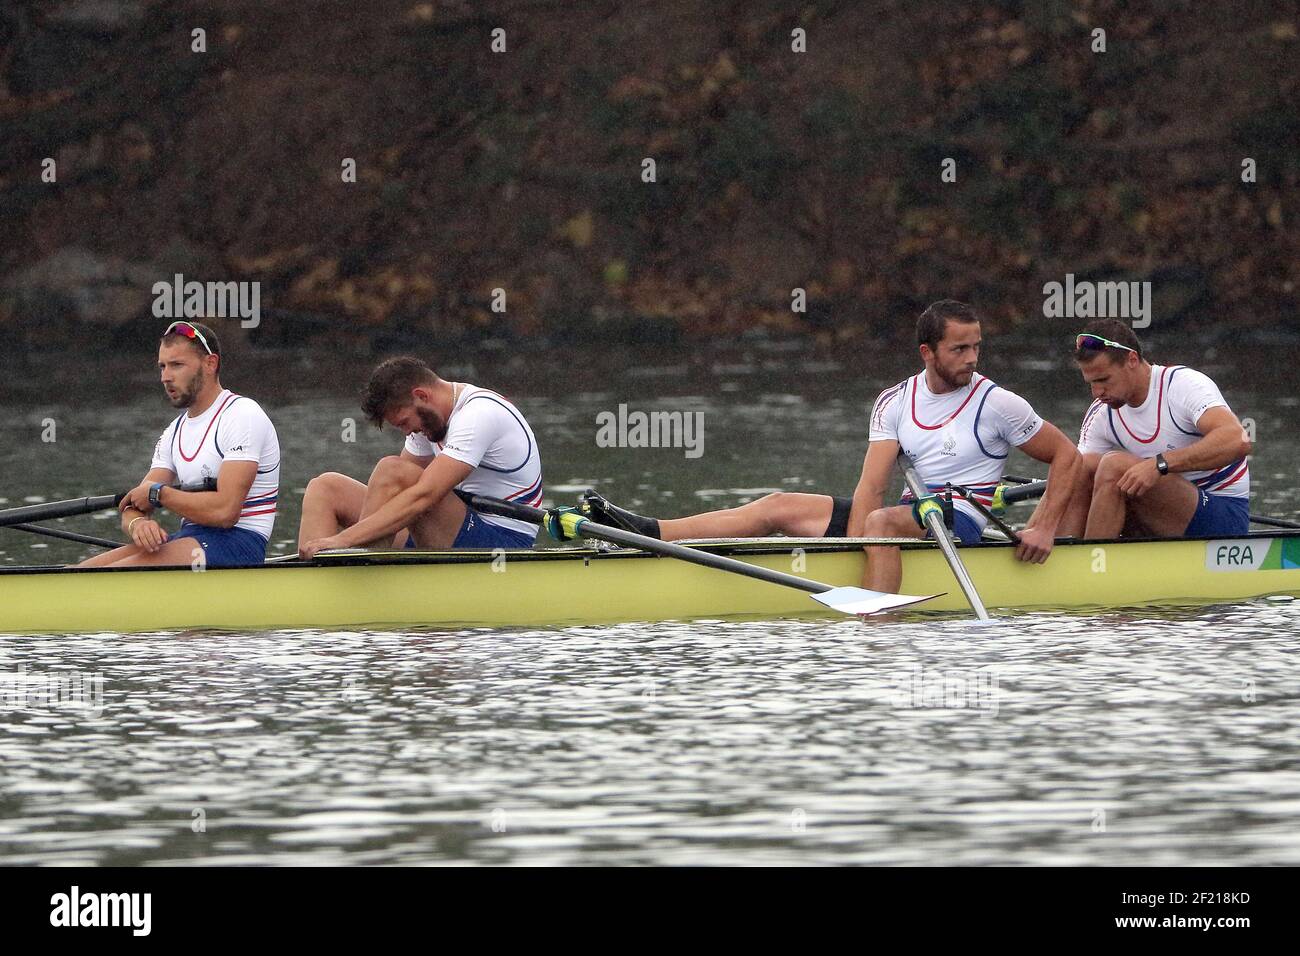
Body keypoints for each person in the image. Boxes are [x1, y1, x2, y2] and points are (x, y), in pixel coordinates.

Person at [582, 300, 1082, 594]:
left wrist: (1042, 525)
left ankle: (871, 629)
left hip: (967, 517)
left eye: (976, 347)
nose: (971, 359)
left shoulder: (999, 404)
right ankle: (647, 531)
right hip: (915, 513)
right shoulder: (894, 401)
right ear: (927, 352)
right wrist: (848, 543)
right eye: (959, 349)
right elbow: (871, 486)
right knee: (781, 506)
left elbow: (1067, 457)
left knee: (883, 522)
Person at [79, 321, 280, 568]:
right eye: (162, 367)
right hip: (191, 539)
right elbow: (135, 503)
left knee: (103, 577)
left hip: (238, 545)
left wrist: (159, 494)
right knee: (78, 572)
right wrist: (138, 524)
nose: (165, 377)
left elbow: (226, 512)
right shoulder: (173, 433)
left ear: (210, 364)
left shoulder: (242, 415)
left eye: (176, 365)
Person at [298, 357, 543, 558]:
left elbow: (422, 495)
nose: (408, 432)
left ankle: (360, 578)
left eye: (405, 423)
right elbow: (393, 493)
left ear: (422, 396)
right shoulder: (428, 420)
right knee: (326, 487)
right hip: (453, 528)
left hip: (501, 542)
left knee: (391, 470)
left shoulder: (478, 416)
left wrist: (343, 539)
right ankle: (311, 581)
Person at [1053, 319, 1252, 538]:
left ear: (1132, 360)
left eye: (1104, 379)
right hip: (1158, 514)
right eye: (1091, 382)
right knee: (1078, 468)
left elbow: (1239, 439)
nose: (1097, 392)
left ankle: (1092, 565)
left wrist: (1160, 464)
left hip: (1221, 516)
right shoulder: (1102, 413)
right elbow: (1072, 479)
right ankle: (1054, 556)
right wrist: (1037, 529)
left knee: (1114, 466)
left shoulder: (1183, 386)